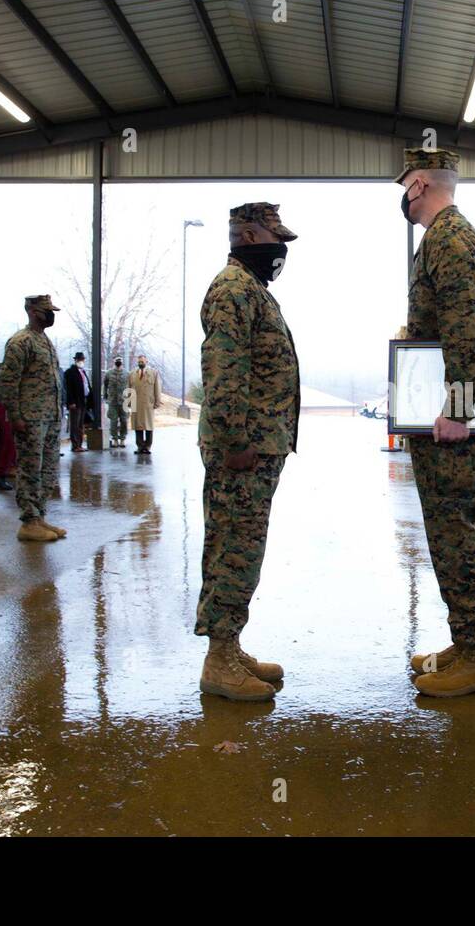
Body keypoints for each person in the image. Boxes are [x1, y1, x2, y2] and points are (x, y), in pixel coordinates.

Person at [396, 147, 475, 698]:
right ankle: (466, 643)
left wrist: (457, 409)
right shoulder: (444, 240)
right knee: (449, 528)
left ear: (419, 185)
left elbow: (469, 329)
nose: (403, 196)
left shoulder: (450, 240)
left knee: (454, 529)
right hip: (439, 411)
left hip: (450, 420)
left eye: (404, 186)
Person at [194, 202, 301, 701]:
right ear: (250, 235)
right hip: (243, 449)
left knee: (243, 547)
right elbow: (224, 373)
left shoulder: (250, 290)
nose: (281, 250)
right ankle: (219, 659)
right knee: (233, 547)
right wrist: (236, 441)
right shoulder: (233, 290)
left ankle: (229, 644)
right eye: (275, 238)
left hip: (257, 447)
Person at [0, 295, 65, 542]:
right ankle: (28, 520)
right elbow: (7, 382)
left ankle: (39, 516)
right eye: (45, 311)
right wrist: (16, 415)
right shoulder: (21, 341)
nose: (50, 315)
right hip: (30, 418)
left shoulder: (44, 341)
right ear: (31, 311)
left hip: (50, 418)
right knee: (30, 470)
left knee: (47, 470)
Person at [128, 355, 161, 454]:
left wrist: (157, 402)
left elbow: (157, 388)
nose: (140, 363)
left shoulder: (153, 373)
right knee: (137, 426)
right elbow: (128, 388)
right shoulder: (132, 374)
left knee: (148, 426)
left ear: (146, 361)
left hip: (148, 403)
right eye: (139, 362)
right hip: (136, 403)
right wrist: (128, 403)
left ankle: (147, 446)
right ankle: (140, 446)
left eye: (142, 361)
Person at [63, 351, 93, 452]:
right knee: (75, 424)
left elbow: (86, 386)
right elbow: (68, 389)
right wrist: (71, 402)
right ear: (75, 360)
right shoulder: (70, 372)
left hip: (83, 400)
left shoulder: (83, 372)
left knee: (80, 424)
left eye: (82, 360)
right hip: (75, 402)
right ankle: (75, 445)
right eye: (79, 360)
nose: (81, 361)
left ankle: (79, 444)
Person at [104, 356, 128, 448]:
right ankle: (114, 439)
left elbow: (130, 387)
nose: (118, 362)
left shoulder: (126, 373)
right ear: (114, 362)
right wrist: (106, 396)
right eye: (117, 360)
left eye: (120, 360)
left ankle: (122, 439)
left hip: (124, 401)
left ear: (122, 362)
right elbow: (105, 385)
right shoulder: (109, 373)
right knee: (113, 421)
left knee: (124, 421)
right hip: (112, 401)